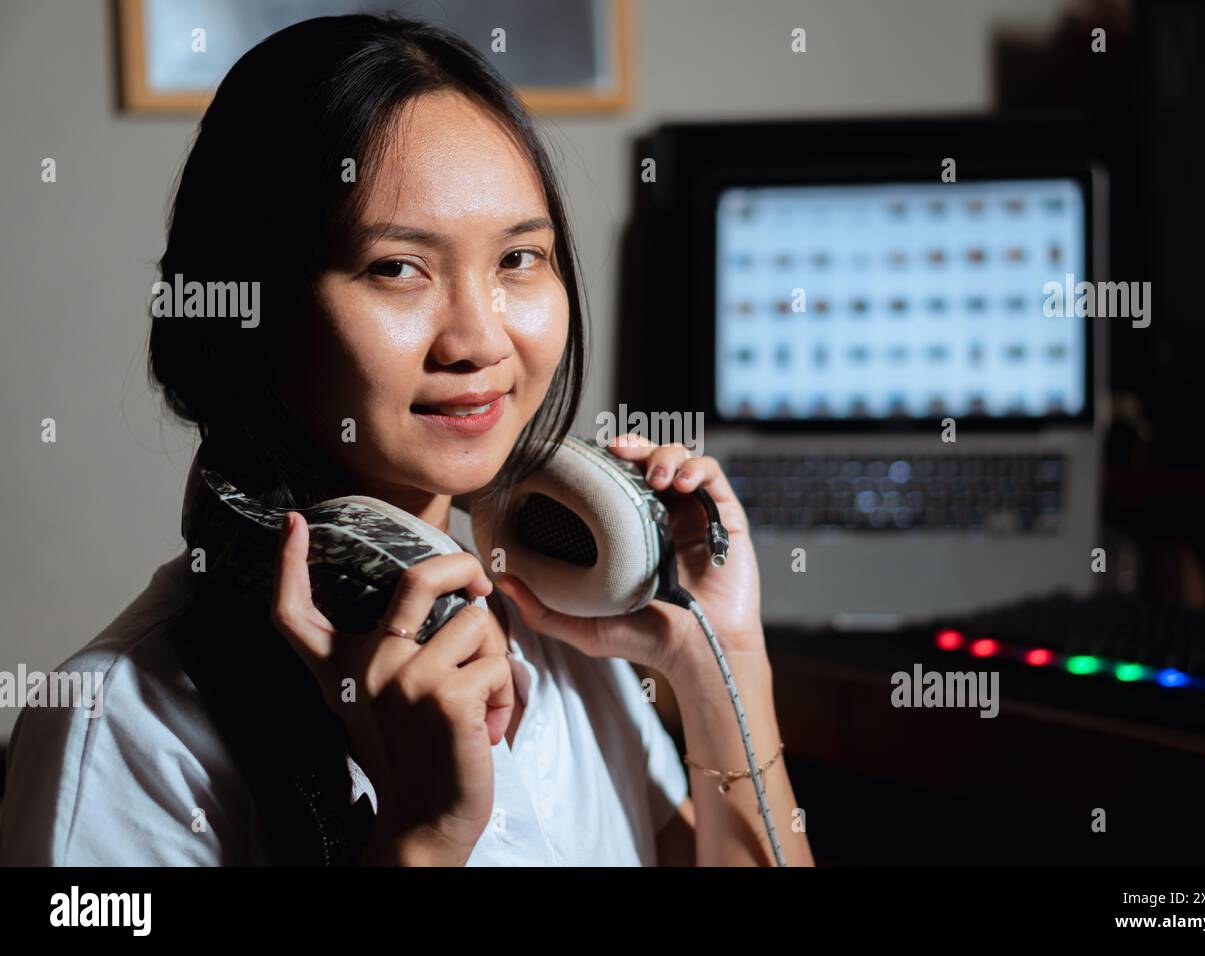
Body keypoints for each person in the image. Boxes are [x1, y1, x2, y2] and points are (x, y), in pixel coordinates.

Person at [0, 14, 812, 867]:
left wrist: (722, 663)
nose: (480, 341)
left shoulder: (561, 634)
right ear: (256, 312)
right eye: (397, 268)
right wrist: (421, 840)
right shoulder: (119, 728)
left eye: (519, 260)